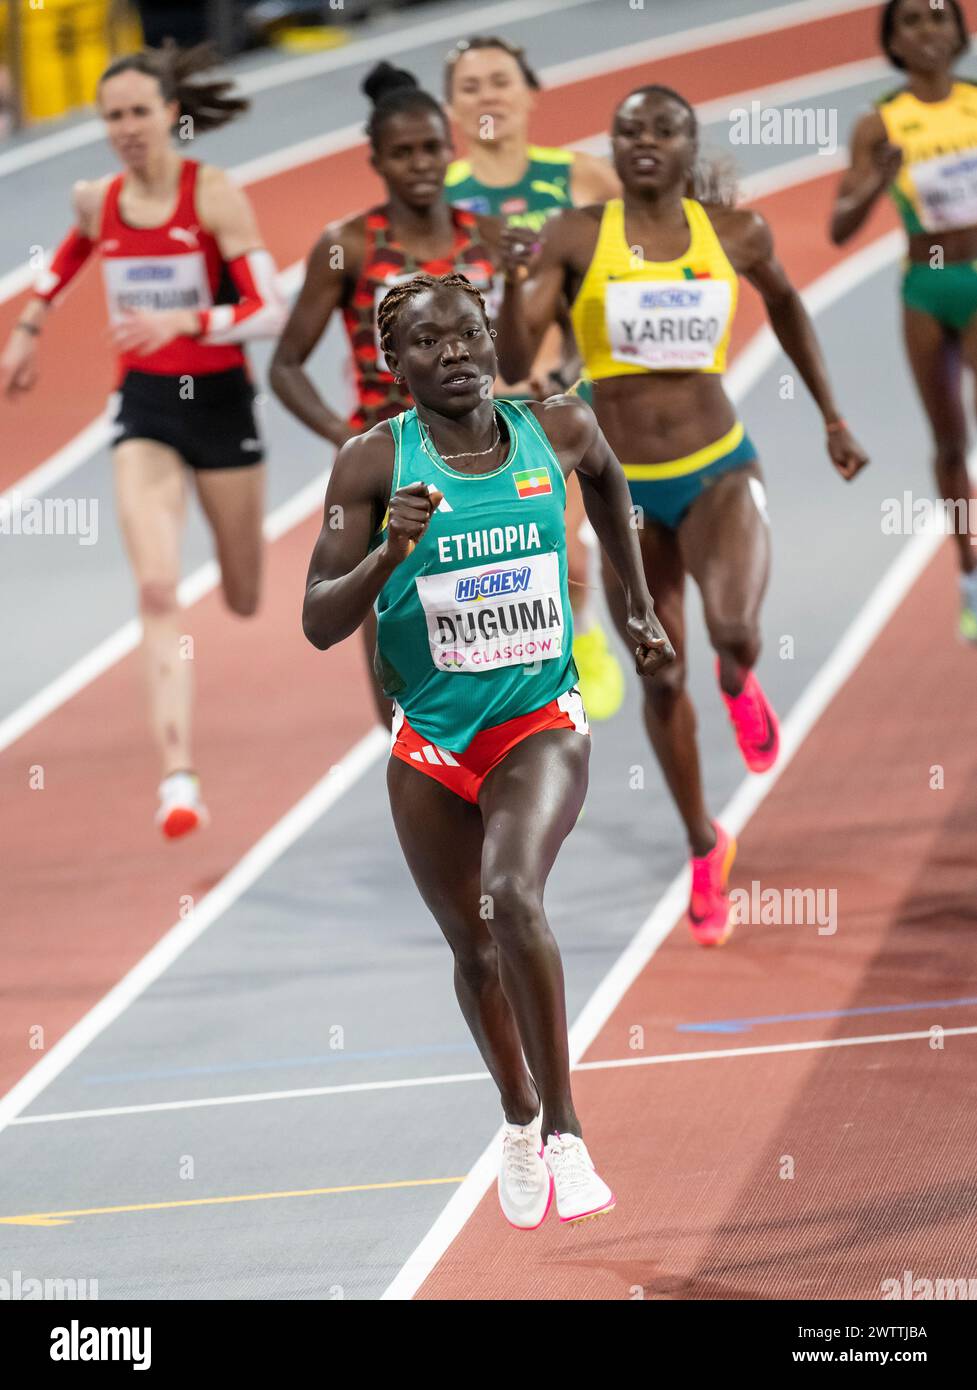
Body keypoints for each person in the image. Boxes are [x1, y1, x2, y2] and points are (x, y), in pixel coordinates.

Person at [302, 271, 673, 1225]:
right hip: (429, 743)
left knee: (510, 893)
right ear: (394, 365)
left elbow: (608, 479)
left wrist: (633, 602)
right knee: (471, 949)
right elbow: (315, 621)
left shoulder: (558, 428)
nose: (453, 352)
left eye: (466, 334)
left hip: (539, 719)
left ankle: (566, 1133)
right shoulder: (371, 465)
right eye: (427, 343)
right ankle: (515, 1113)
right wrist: (387, 552)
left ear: (491, 338)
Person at [496, 85, 869, 946]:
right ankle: (705, 845)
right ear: (616, 147)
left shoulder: (733, 233)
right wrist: (515, 278)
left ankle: (739, 680)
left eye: (662, 128)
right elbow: (516, 358)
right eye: (628, 130)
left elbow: (785, 304)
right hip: (620, 488)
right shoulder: (574, 236)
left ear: (687, 142)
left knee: (732, 629)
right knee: (660, 675)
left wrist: (831, 417)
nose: (644, 141)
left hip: (715, 470)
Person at [0, 42, 287, 839]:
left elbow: (270, 310)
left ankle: (234, 582)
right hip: (145, 408)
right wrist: (29, 326)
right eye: (112, 116)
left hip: (223, 408)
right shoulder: (101, 200)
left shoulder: (215, 195)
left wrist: (184, 320)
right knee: (156, 590)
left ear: (170, 113)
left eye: (138, 112)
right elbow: (71, 255)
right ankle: (177, 778)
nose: (126, 128)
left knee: (242, 593)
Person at [270, 62, 500, 727]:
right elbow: (285, 365)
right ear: (375, 160)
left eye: (431, 148)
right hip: (392, 466)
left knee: (488, 622)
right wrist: (348, 440)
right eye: (402, 153)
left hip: (478, 457)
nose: (420, 164)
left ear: (451, 148)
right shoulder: (347, 246)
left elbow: (514, 340)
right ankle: (418, 761)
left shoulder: (484, 241)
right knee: (395, 665)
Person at [444, 34, 626, 720]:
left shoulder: (580, 179)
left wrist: (575, 356)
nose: (487, 95)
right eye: (470, 86)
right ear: (450, 108)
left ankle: (583, 637)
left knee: (560, 531)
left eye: (499, 80)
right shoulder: (440, 194)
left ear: (528, 93)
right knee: (487, 552)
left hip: (558, 392)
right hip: (469, 405)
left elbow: (620, 276)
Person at [831, 0, 977, 641]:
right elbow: (839, 226)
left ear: (959, 31)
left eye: (939, 17)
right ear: (891, 40)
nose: (927, 30)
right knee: (948, 444)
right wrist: (873, 183)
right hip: (923, 288)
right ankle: (970, 573)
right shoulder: (880, 123)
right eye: (911, 21)